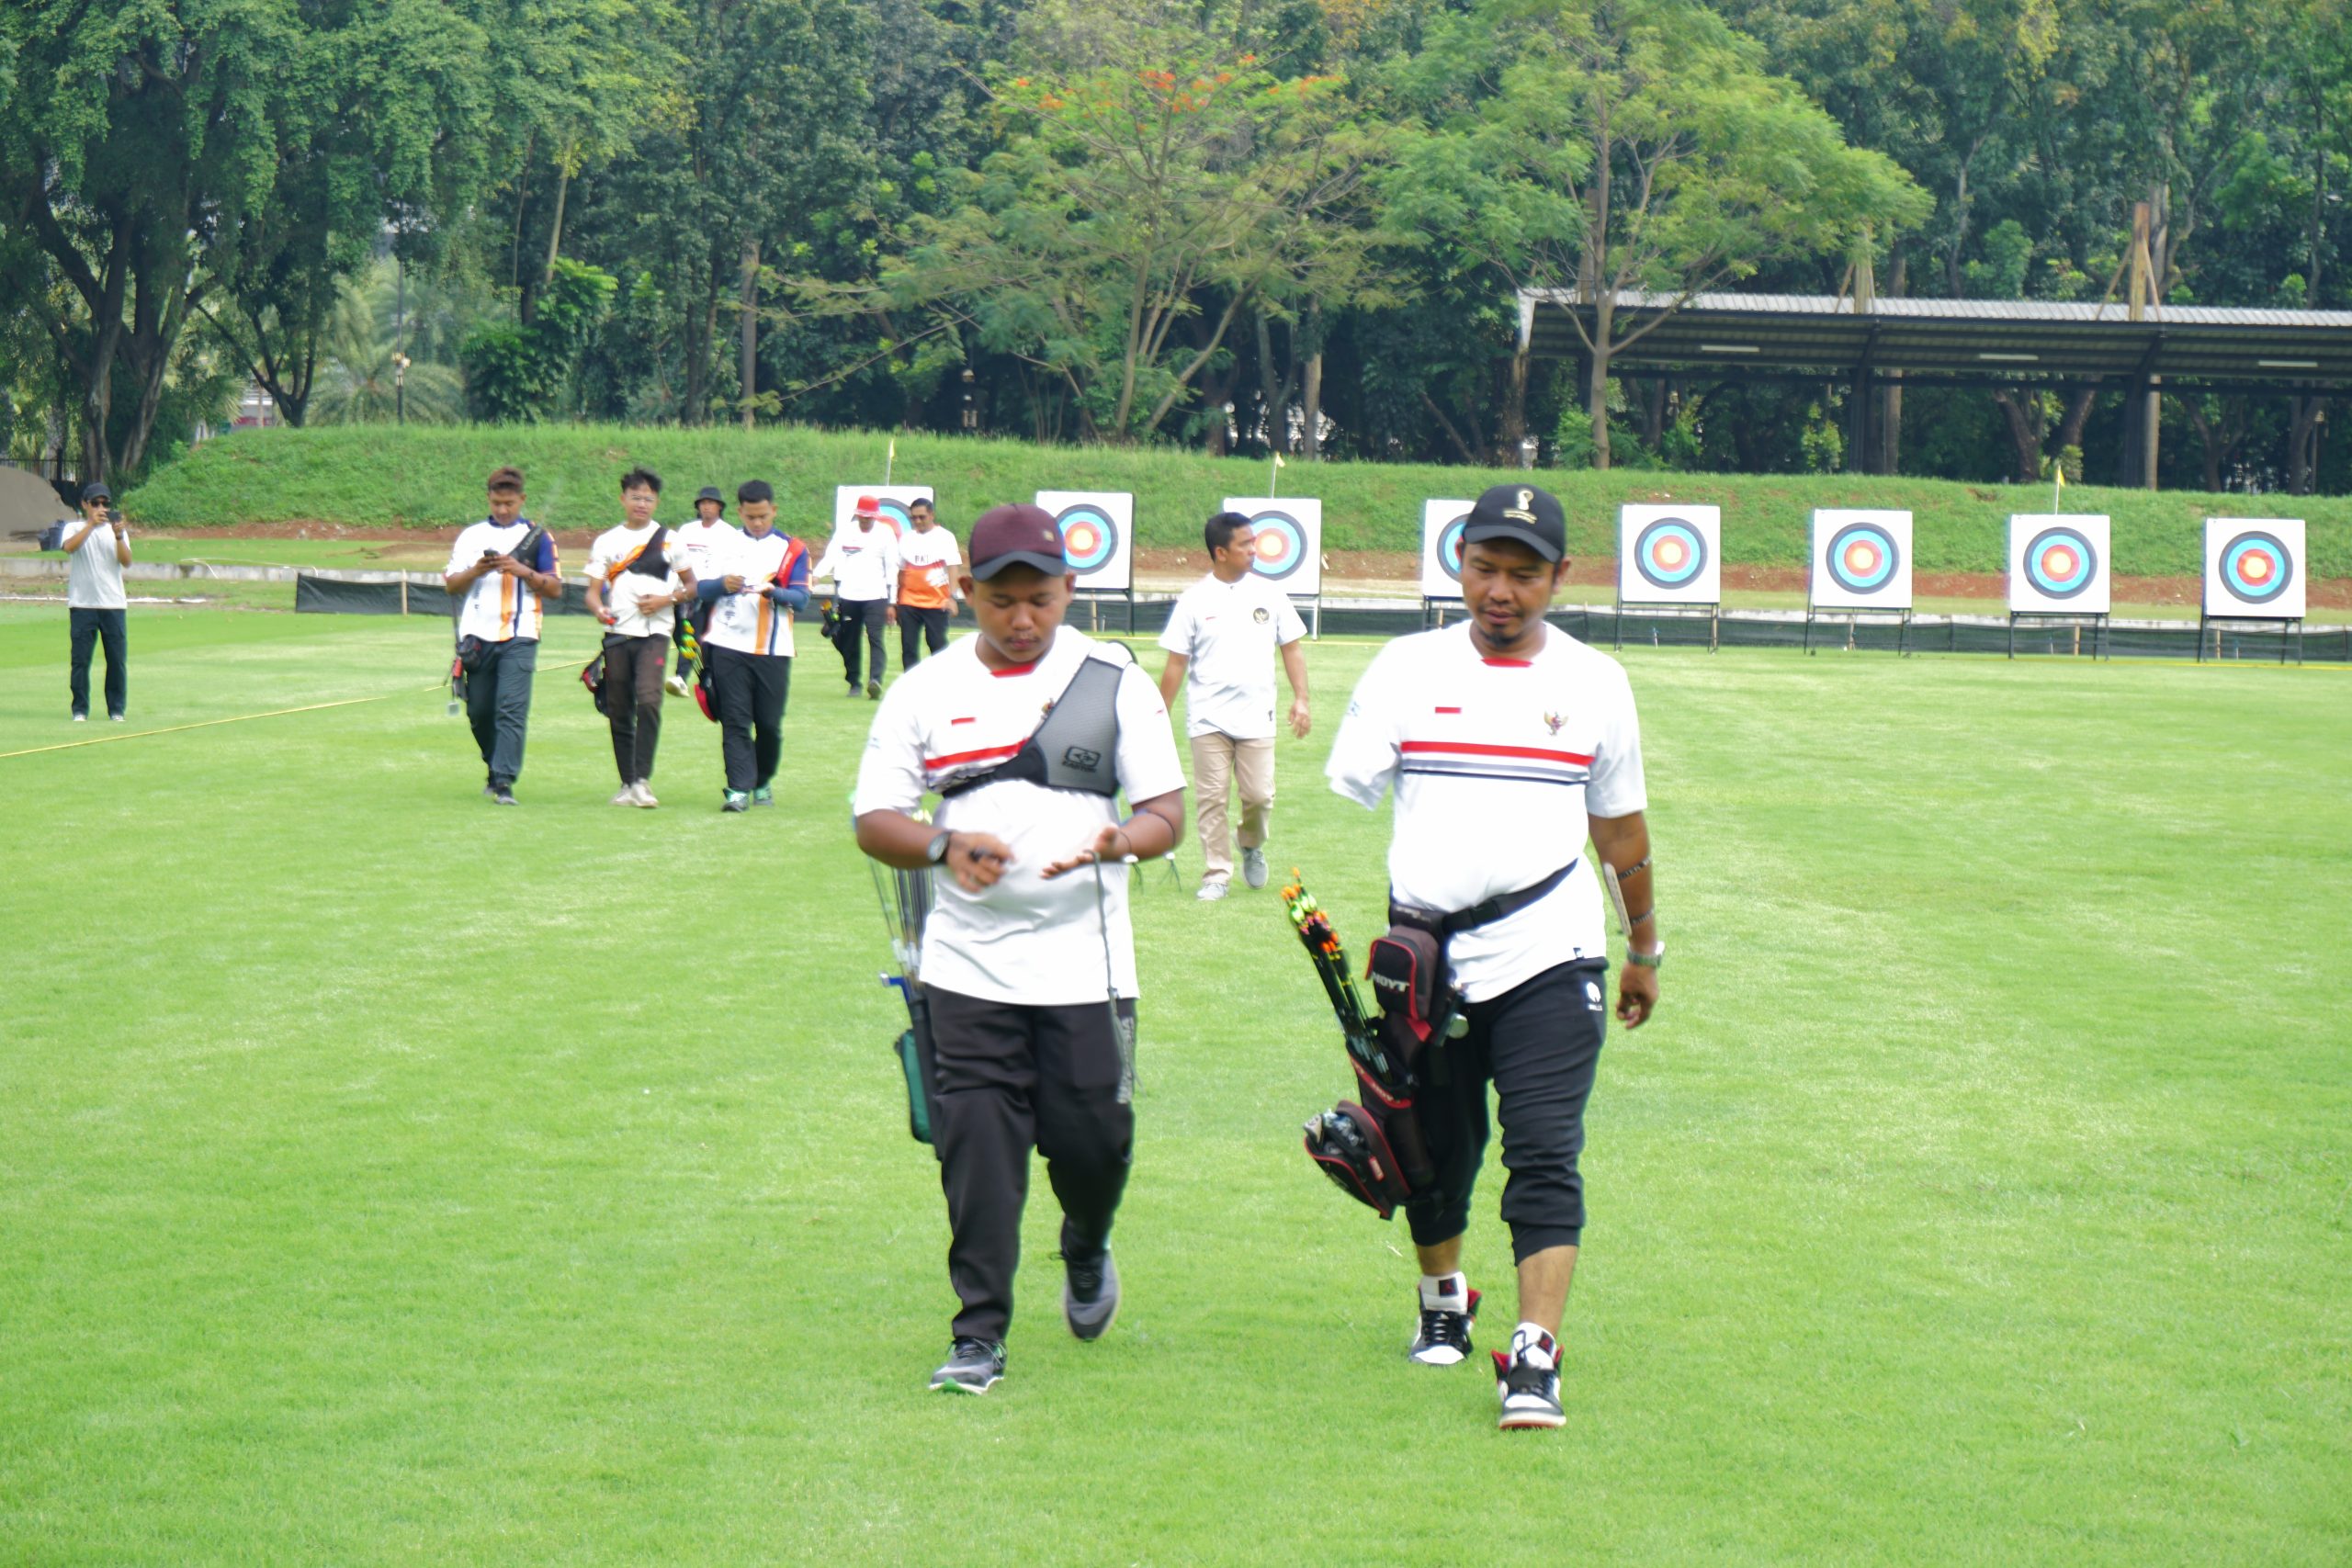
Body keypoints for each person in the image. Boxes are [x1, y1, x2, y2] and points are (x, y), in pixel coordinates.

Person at [1323, 482, 1662, 1432]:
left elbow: (1621, 829)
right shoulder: (1401, 668)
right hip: (1425, 955)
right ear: (1457, 564)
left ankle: (1534, 1355)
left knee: (1544, 1153)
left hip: (1550, 951)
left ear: (1560, 577)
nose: (1500, 592)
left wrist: (1643, 944)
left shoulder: (1595, 682)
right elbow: (1356, 780)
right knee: (1431, 1149)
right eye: (1483, 569)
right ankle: (1443, 1302)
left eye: (1523, 574)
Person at [853, 502, 1186, 1395]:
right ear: (965, 593)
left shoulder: (1116, 680)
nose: (1022, 619)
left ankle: (1085, 1243)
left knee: (1094, 1142)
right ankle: (979, 1334)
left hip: (1087, 963)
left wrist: (1122, 841)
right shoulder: (922, 689)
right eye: (1001, 601)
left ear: (1069, 591)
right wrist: (940, 847)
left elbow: (1166, 813)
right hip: (963, 967)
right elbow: (873, 819)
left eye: (1039, 599)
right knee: (977, 1150)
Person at [1157, 511, 1311, 901]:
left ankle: (1251, 843)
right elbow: (1176, 663)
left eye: (1255, 542)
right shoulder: (1194, 600)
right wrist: (1159, 714)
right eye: (1246, 544)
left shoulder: (1270, 594)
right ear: (1221, 552)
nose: (1254, 550)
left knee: (1259, 796)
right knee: (1211, 798)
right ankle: (1216, 875)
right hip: (1208, 717)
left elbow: (1291, 648)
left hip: (1257, 715)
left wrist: (1302, 699)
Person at [441, 467, 562, 804]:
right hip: (477, 637)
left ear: (522, 499)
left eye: (509, 503)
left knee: (511, 707)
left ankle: (505, 781)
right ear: (489, 499)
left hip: (521, 633)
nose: (503, 509)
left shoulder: (538, 537)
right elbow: (451, 584)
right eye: (497, 503)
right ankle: (495, 768)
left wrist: (522, 571)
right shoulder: (471, 536)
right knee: (479, 712)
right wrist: (476, 570)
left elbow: (555, 588)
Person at [584, 468, 697, 807]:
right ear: (623, 499)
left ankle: (643, 781)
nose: (642, 503)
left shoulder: (670, 539)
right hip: (617, 634)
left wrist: (666, 600)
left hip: (655, 634)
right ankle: (627, 782)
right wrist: (599, 610)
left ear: (656, 501)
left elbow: (691, 586)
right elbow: (591, 593)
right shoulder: (607, 541)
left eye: (648, 498)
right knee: (619, 708)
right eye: (636, 497)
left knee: (649, 699)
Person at [699, 479, 810, 811]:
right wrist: (722, 584)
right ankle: (737, 789)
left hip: (773, 650)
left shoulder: (793, 550)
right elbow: (701, 589)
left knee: (769, 725)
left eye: (763, 516)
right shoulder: (724, 544)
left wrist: (772, 592)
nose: (758, 522)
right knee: (735, 720)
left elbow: (802, 599)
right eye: (751, 517)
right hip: (727, 644)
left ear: (773, 510)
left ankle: (762, 780)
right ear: (740, 513)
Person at [59, 481, 131, 722]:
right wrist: (90, 525)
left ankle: (116, 709)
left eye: (105, 503)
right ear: (84, 504)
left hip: (113, 604)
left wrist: (119, 536)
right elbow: (69, 548)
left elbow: (126, 561)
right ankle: (80, 709)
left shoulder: (116, 531)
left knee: (117, 661)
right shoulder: (74, 527)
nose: (101, 508)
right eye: (96, 503)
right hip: (82, 604)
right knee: (80, 661)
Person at [817, 494, 899, 698]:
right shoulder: (845, 532)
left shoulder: (885, 533)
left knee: (875, 638)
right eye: (862, 516)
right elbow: (831, 556)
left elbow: (892, 568)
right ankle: (854, 682)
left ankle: (875, 681)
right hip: (848, 595)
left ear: (875, 516)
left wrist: (892, 601)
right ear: (857, 515)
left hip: (876, 595)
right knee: (849, 639)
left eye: (869, 517)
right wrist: (816, 575)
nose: (865, 520)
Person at [669, 485, 740, 696]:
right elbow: (676, 560)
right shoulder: (687, 530)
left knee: (693, 633)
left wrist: (718, 588)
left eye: (711, 503)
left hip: (710, 592)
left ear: (719, 507)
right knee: (682, 633)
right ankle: (708, 675)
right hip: (684, 591)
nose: (706, 507)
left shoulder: (728, 533)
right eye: (703, 503)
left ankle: (681, 677)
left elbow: (729, 564)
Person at [894, 496, 962, 670]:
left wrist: (952, 597)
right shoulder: (906, 539)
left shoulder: (945, 537)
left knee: (937, 647)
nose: (917, 521)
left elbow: (953, 567)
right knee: (908, 648)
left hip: (937, 603)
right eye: (914, 518)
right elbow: (900, 571)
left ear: (932, 515)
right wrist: (896, 602)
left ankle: (939, 686)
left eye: (921, 517)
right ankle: (911, 687)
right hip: (909, 603)